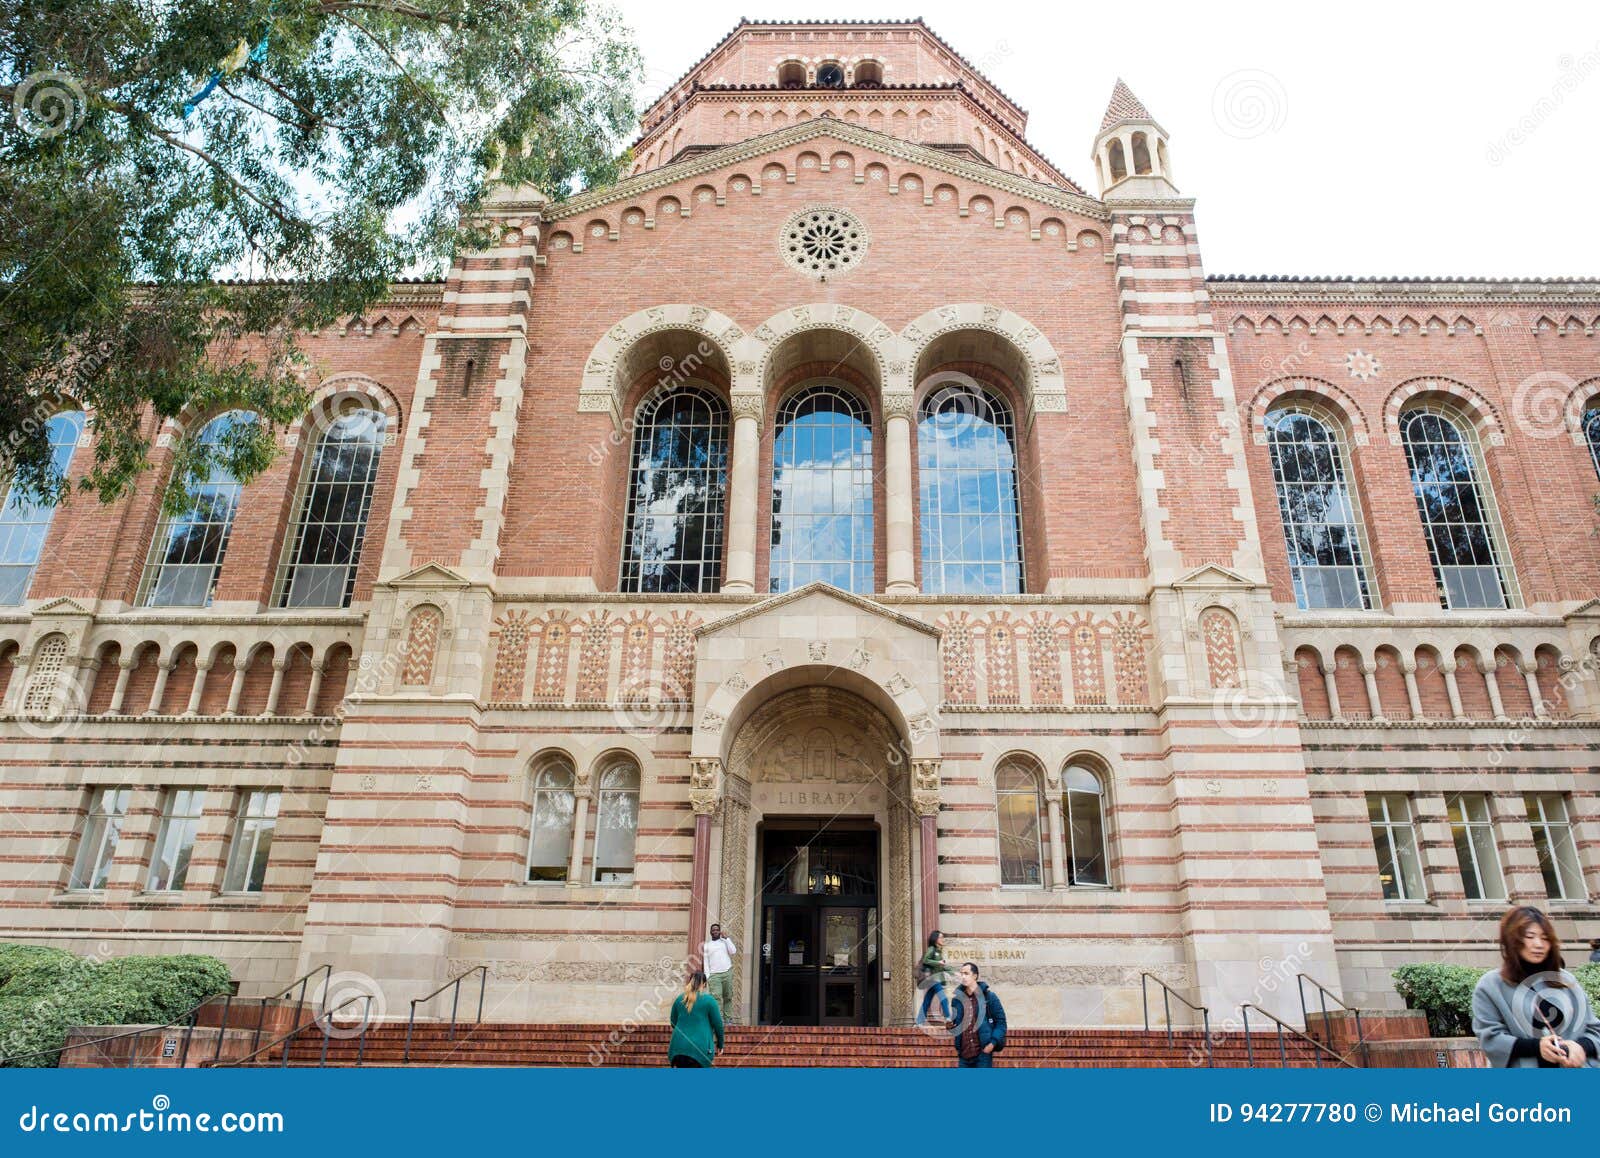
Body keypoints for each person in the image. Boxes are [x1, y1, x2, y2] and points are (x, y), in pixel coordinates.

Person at [1472, 906, 1600, 1068]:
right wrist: (1536, 1047)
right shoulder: (1490, 985)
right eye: (1530, 937)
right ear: (1512, 940)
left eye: (1545, 938)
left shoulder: (1566, 981)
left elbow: (1595, 1029)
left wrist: (1581, 1046)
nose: (1539, 944)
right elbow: (1490, 1038)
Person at [948, 961, 1006, 1068]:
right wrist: (950, 1025)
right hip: (964, 1055)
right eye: (961, 974)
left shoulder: (989, 997)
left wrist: (992, 1043)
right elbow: (956, 1025)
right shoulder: (957, 1000)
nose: (963, 976)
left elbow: (1001, 1023)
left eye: (966, 973)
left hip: (983, 1054)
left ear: (975, 976)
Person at [668, 970, 725, 1068]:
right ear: (705, 984)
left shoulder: (680, 999)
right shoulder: (709, 1001)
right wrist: (720, 1044)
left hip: (678, 1047)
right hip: (700, 1050)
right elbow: (718, 1025)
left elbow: (673, 1022)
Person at [916, 929, 954, 1027]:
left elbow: (943, 966)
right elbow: (925, 960)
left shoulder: (938, 951)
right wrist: (938, 962)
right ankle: (948, 1018)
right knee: (943, 998)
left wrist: (954, 972)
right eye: (941, 937)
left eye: (942, 937)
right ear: (935, 938)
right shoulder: (931, 949)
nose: (942, 939)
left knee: (927, 1000)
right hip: (933, 979)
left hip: (936, 980)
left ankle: (919, 1022)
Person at [701, 922, 737, 1014]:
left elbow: (733, 951)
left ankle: (728, 1019)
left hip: (727, 972)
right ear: (710, 932)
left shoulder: (725, 942)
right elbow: (706, 961)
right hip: (714, 975)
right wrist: (708, 976)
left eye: (717, 930)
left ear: (720, 931)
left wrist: (727, 938)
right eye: (713, 930)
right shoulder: (707, 945)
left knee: (728, 997)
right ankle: (717, 1019)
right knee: (715, 998)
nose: (715, 931)